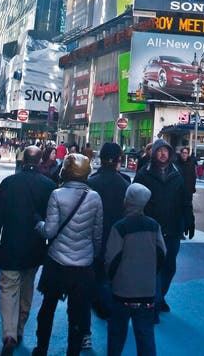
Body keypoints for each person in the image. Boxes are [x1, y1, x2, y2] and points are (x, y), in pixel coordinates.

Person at [32, 153, 103, 356]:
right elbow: (97, 234)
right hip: (83, 265)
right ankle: (73, 351)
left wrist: (38, 223)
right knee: (77, 313)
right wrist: (93, 254)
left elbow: (50, 231)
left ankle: (41, 348)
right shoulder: (95, 197)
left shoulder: (57, 194)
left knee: (48, 307)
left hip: (57, 261)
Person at [0, 145, 56, 356]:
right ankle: (18, 329)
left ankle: (8, 333)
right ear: (39, 161)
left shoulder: (9, 183)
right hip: (34, 247)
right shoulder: (48, 185)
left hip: (10, 245)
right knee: (27, 289)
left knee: (8, 289)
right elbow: (51, 219)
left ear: (22, 159)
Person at [134, 138, 195, 316]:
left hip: (173, 227)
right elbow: (135, 199)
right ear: (154, 154)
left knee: (169, 266)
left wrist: (189, 219)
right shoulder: (144, 174)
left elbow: (185, 199)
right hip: (151, 228)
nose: (163, 154)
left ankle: (160, 296)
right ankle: (155, 301)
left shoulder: (177, 174)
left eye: (166, 151)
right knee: (154, 266)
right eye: (159, 151)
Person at [105, 183, 166, 356]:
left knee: (117, 332)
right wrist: (151, 272)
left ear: (127, 201)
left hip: (122, 289)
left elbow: (112, 258)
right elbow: (162, 253)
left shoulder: (120, 227)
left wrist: (112, 277)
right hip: (146, 288)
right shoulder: (154, 226)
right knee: (145, 333)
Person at [87, 142, 131, 334]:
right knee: (110, 274)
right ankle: (106, 306)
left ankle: (97, 302)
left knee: (95, 273)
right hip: (116, 235)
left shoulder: (91, 182)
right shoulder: (125, 183)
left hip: (93, 235)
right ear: (118, 160)